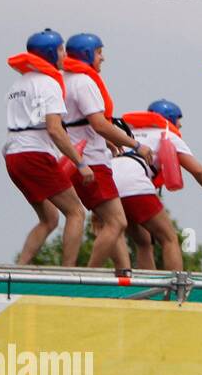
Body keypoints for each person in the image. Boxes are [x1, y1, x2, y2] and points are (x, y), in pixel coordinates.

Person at [61, 33, 152, 272]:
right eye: (99, 52)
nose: (103, 58)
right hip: (92, 161)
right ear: (87, 54)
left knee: (108, 222)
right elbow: (99, 123)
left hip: (79, 158)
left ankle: (123, 272)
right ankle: (88, 276)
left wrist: (108, 142)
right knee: (117, 222)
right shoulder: (84, 82)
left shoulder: (65, 80)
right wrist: (136, 146)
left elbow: (81, 124)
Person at [4, 29, 91, 265]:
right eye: (62, 49)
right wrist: (80, 163)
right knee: (76, 212)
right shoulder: (49, 83)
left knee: (49, 218)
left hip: (13, 156)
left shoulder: (18, 85)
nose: (65, 54)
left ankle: (20, 268)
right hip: (34, 154)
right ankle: (68, 273)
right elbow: (54, 129)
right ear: (51, 53)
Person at [111, 100, 202, 270]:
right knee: (169, 238)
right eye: (178, 119)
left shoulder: (128, 134)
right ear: (169, 119)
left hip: (112, 185)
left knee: (143, 241)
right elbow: (198, 171)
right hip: (135, 185)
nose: (180, 124)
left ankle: (144, 293)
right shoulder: (166, 134)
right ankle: (176, 291)